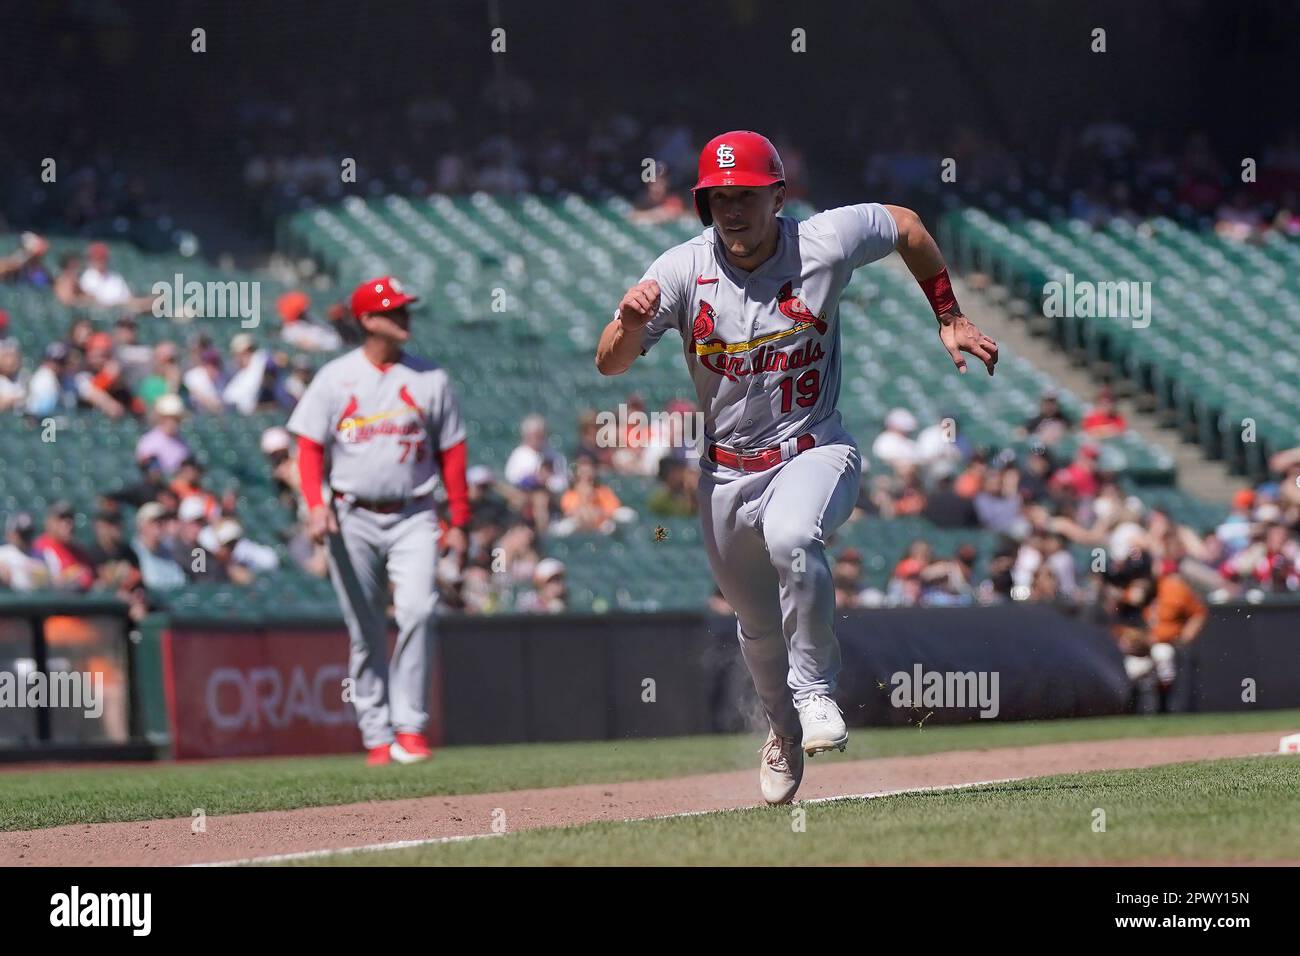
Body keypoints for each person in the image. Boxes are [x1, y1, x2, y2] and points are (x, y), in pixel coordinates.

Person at [595, 130, 998, 804]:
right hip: (723, 475)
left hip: (814, 448)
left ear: (777, 196)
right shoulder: (679, 270)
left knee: (792, 538)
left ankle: (815, 696)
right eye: (718, 197)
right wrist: (631, 325)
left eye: (746, 196)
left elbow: (906, 226)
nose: (731, 209)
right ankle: (782, 730)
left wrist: (949, 313)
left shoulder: (823, 241)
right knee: (754, 627)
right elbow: (608, 361)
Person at [287, 275, 470, 767]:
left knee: (417, 612)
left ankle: (409, 728)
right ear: (366, 320)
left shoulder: (430, 378)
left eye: (405, 310)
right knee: (365, 627)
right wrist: (315, 503)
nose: (403, 318)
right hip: (352, 514)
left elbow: (452, 452)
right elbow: (308, 446)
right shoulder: (336, 377)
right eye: (392, 311)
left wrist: (459, 516)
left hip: (413, 512)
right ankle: (375, 734)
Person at [134, 394, 192, 475]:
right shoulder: (148, 441)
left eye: (176, 418)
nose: (173, 422)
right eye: (170, 418)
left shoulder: (182, 442)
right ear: (161, 418)